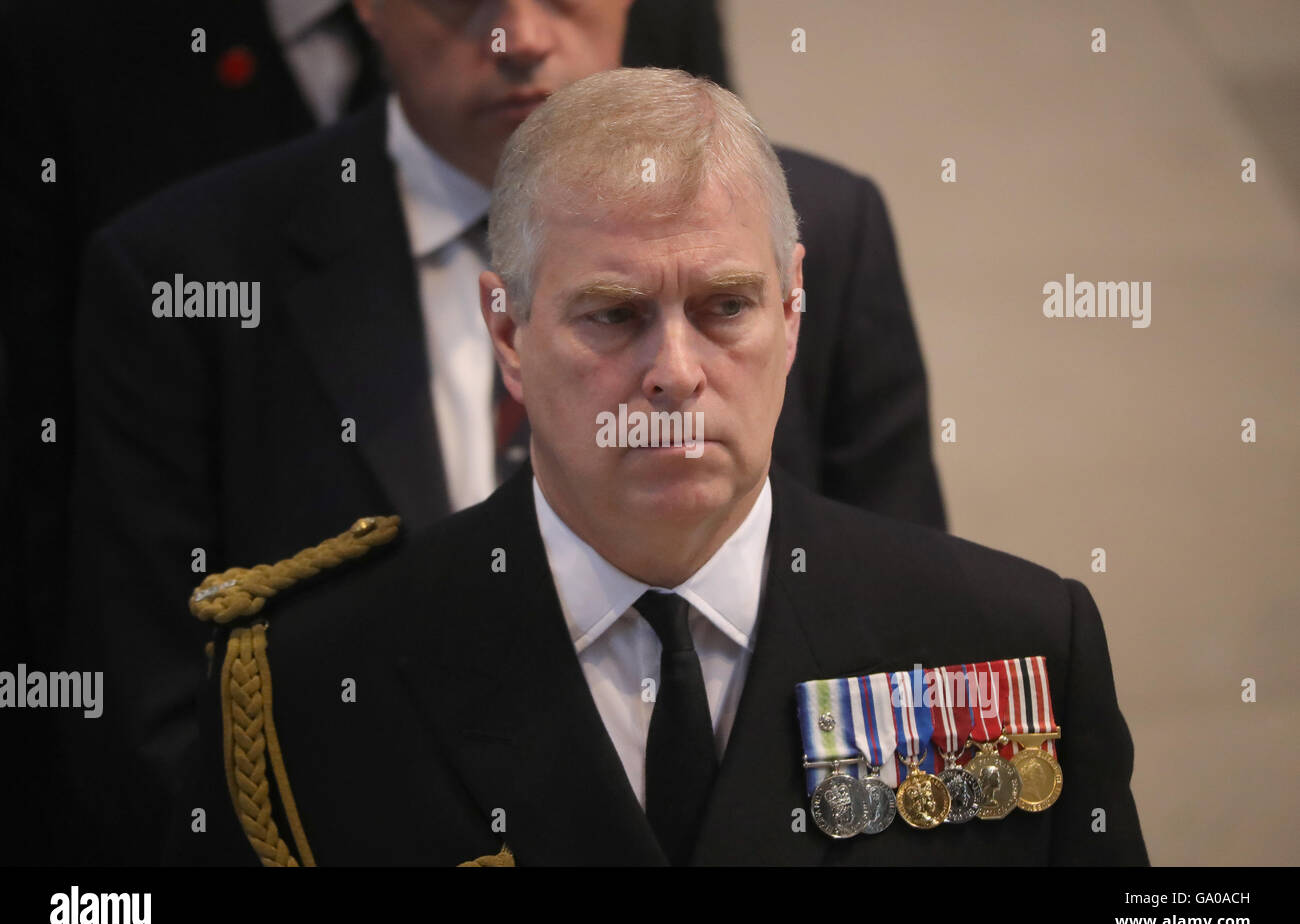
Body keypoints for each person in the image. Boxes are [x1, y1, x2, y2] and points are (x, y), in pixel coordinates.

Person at [171, 68, 1145, 867]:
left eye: (726, 307)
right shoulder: (318, 679)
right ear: (507, 331)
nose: (675, 372)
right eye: (613, 315)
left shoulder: (1004, 643)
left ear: (794, 308)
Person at [64, 0, 943, 863]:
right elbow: (161, 711)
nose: (518, 35)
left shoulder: (824, 226)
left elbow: (898, 633)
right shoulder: (189, 270)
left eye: (723, 306)